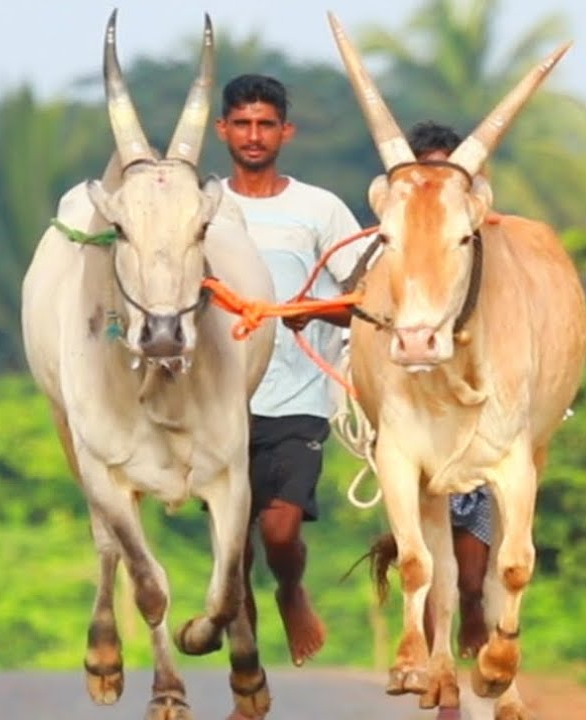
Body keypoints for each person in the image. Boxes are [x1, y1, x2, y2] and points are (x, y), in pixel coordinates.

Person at [214, 73, 367, 668]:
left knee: (279, 533)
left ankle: (292, 588)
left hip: (299, 393)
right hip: (221, 400)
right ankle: (247, 678)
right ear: (223, 129)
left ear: (286, 131)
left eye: (266, 124)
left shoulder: (320, 208)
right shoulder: (205, 206)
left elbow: (365, 299)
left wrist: (312, 311)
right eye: (243, 124)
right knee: (232, 549)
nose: (254, 136)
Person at [407, 119, 494, 659]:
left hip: (478, 416)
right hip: (417, 413)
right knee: (424, 561)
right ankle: (432, 663)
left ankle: (476, 609)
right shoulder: (397, 246)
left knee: (471, 574)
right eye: (429, 171)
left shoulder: (489, 242)